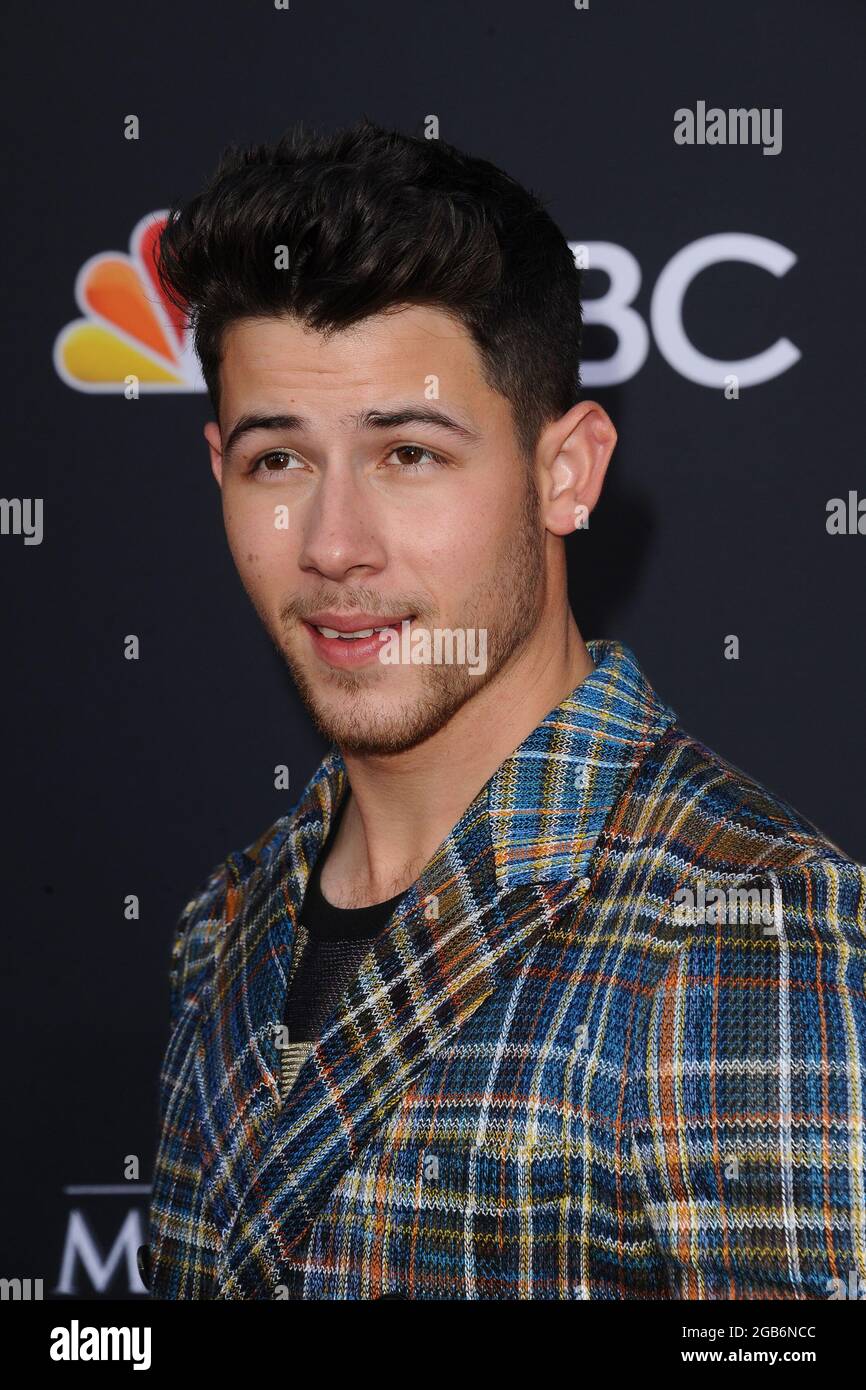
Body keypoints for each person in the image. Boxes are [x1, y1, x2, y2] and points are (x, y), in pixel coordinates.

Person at [142, 116, 866, 1300]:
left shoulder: (747, 926)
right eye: (278, 461)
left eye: (409, 455)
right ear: (219, 467)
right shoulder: (224, 925)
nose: (332, 546)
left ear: (563, 471)